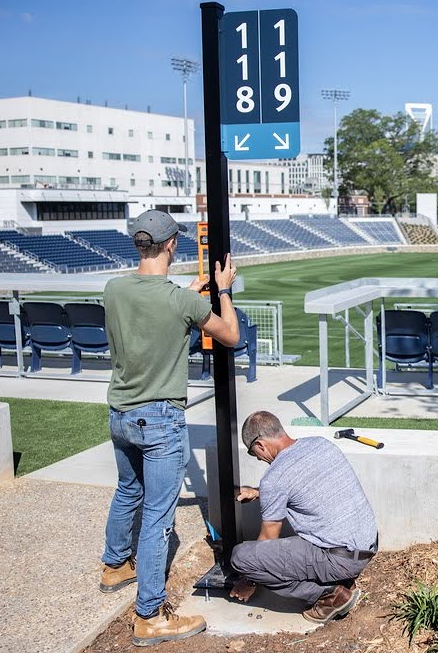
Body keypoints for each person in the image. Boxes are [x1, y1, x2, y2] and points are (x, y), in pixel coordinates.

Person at [98, 209, 240, 647]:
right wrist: (222, 292)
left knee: (128, 491)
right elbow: (230, 334)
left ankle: (115, 565)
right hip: (160, 417)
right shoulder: (182, 301)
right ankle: (149, 616)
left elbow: (151, 309)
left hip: (120, 413)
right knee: (159, 516)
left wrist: (189, 295)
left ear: (139, 244)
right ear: (172, 245)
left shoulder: (115, 288)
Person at [228, 410, 379, 624]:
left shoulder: (275, 477)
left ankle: (329, 595)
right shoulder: (320, 444)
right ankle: (340, 580)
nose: (260, 460)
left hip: (339, 559)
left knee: (242, 557)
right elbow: (306, 484)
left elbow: (267, 541)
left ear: (261, 444)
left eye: (255, 454)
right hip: (367, 545)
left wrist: (248, 581)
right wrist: (260, 491)